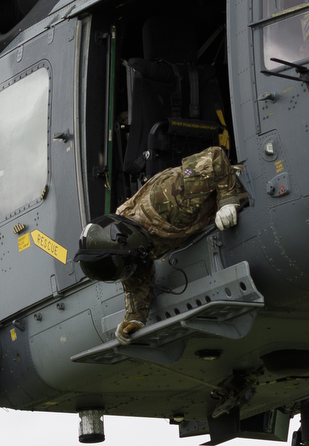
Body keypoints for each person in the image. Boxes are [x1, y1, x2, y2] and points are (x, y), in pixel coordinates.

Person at [80, 143, 247, 339]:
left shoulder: (165, 199)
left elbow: (214, 156)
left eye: (128, 268)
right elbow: (136, 282)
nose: (131, 272)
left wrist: (227, 201)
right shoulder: (130, 249)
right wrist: (135, 319)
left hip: (244, 188)